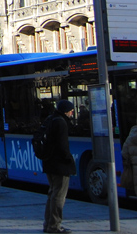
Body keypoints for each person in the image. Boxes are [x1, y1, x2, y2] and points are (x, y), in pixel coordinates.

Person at [42, 100, 76, 234]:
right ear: (66, 111)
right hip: (59, 165)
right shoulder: (61, 123)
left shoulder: (50, 119)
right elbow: (63, 147)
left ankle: (48, 223)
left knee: (52, 193)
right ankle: (54, 226)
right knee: (58, 196)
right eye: (71, 110)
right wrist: (69, 159)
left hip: (49, 163)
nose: (73, 113)